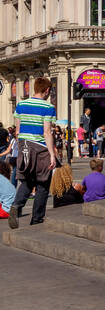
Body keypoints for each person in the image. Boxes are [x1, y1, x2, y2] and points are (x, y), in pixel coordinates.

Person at [7, 77, 57, 229]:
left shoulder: (21, 104)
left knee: (28, 180)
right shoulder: (48, 107)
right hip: (40, 147)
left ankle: (16, 205)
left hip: (24, 145)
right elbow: (47, 132)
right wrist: (52, 154)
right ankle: (37, 218)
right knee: (43, 182)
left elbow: (17, 130)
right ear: (47, 90)